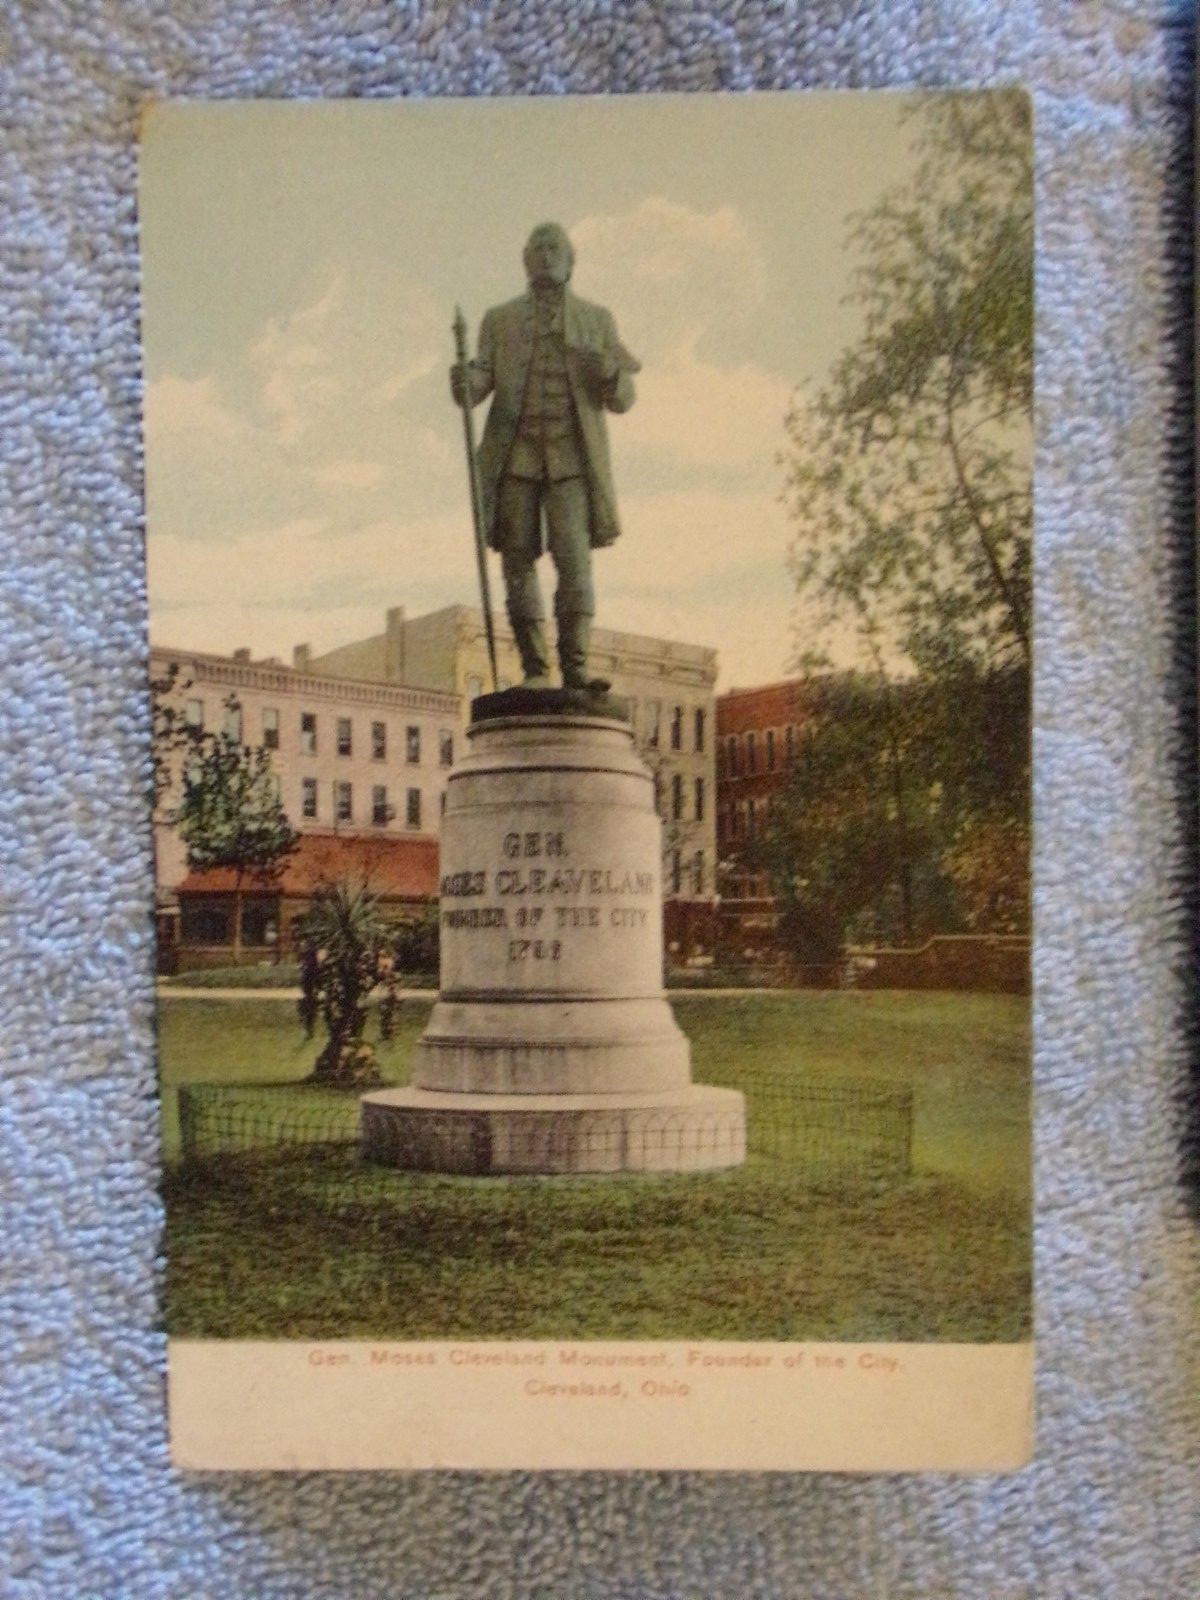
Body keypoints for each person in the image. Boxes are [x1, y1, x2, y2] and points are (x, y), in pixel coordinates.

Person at [450, 222, 639, 689]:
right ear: (524, 259)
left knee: (574, 560)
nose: (545, 254)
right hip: (514, 458)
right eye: (536, 247)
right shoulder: (499, 320)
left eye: (554, 247)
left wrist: (609, 372)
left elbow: (623, 398)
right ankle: (535, 669)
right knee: (516, 561)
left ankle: (575, 668)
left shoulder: (597, 319)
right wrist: (465, 383)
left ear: (571, 261)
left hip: (572, 462)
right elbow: (480, 382)